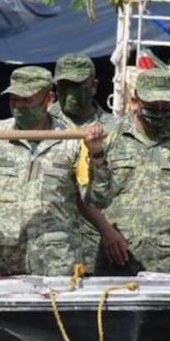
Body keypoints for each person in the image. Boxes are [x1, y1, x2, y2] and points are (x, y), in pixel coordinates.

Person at [0, 65, 108, 277]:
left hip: (52, 263)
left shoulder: (70, 141)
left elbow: (97, 198)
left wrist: (97, 155)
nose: (19, 106)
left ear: (49, 100)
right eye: (14, 99)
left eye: (26, 100)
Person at [83, 68, 170, 275]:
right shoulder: (107, 136)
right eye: (152, 105)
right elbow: (88, 194)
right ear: (135, 100)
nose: (159, 111)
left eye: (165, 106)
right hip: (118, 258)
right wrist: (107, 232)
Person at [51, 53, 118, 267]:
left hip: (99, 250)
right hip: (49, 251)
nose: (70, 93)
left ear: (94, 86)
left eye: (78, 86)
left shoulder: (115, 130)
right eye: (64, 86)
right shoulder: (41, 126)